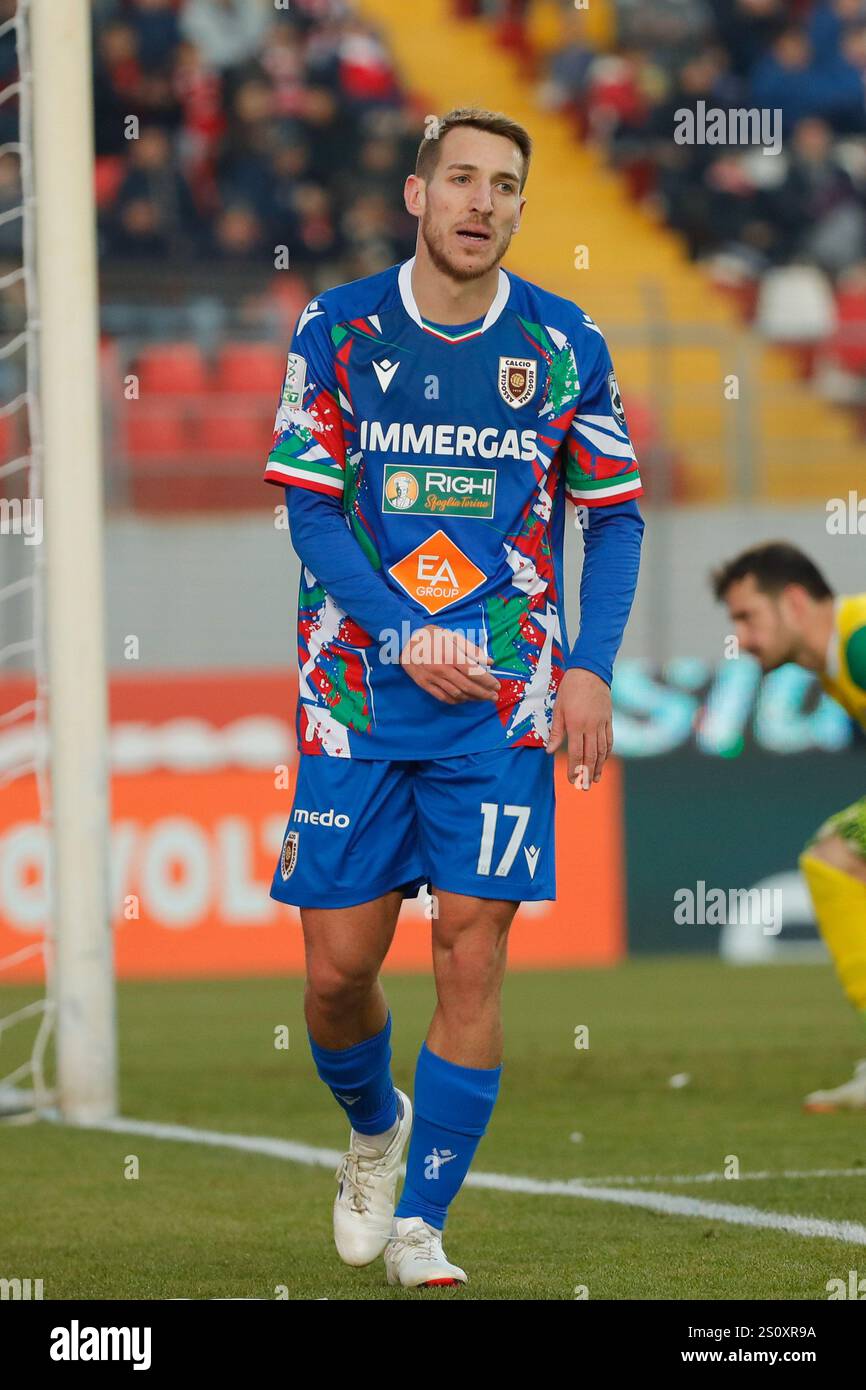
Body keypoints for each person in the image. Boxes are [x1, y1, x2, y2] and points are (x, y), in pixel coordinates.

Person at [264, 107, 644, 1287]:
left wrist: (588, 664)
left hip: (499, 706)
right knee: (335, 972)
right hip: (357, 697)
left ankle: (422, 1221)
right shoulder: (335, 328)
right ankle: (375, 1129)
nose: (485, 202)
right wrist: (400, 631)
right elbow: (311, 511)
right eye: (463, 179)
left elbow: (612, 514)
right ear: (417, 196)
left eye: (507, 186)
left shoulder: (566, 340)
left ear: (522, 209)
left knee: (469, 957)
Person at [713, 542, 866, 1111]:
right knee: (835, 860)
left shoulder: (858, 645)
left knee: (836, 860)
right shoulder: (837, 663)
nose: (743, 639)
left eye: (747, 617)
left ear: (796, 602)